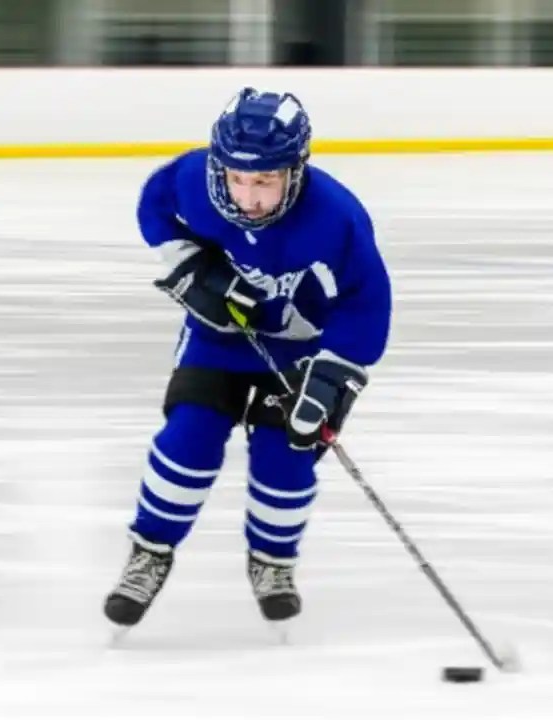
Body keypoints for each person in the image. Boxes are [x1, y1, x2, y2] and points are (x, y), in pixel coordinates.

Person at [102, 87, 393, 628]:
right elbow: (155, 202)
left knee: (285, 460)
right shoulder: (194, 181)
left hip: (301, 355)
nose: (248, 197)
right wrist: (189, 263)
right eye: (237, 178)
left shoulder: (336, 219)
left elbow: (366, 300)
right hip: (218, 338)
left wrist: (332, 377)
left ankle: (273, 561)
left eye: (264, 181)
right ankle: (150, 551)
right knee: (188, 438)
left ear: (294, 170)